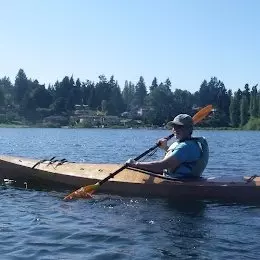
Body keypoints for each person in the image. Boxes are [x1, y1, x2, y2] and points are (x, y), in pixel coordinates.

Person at [126, 114, 209, 178]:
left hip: (181, 182)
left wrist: (136, 164)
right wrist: (165, 148)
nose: (175, 129)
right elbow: (178, 159)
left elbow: (162, 165)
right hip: (175, 178)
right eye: (174, 127)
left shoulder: (186, 147)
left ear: (189, 130)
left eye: (179, 127)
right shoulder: (185, 144)